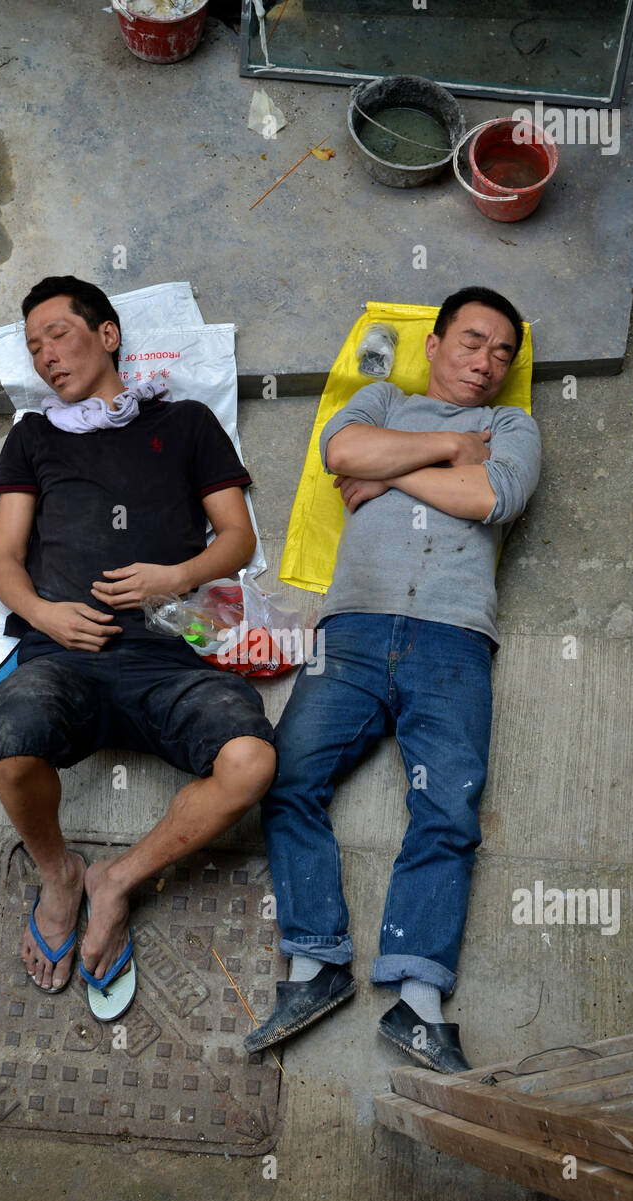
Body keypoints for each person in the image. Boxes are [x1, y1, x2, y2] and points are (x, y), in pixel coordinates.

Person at [245, 287, 541, 1072]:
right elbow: (342, 455)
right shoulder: (381, 398)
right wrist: (444, 452)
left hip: (453, 638)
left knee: (447, 807)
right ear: (436, 344)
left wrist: (394, 473)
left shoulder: (513, 427)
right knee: (283, 777)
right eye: (472, 342)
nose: (485, 364)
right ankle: (315, 963)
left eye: (502, 353)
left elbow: (494, 496)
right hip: (354, 627)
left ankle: (416, 1002)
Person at [0, 276, 276, 1022]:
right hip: (62, 659)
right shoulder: (33, 436)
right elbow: (4, 559)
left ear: (107, 336)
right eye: (33, 345)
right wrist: (45, 615)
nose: (45, 354)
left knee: (252, 763)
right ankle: (59, 873)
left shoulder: (188, 423)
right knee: (9, 747)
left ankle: (114, 879)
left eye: (58, 334)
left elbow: (237, 540)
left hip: (168, 661)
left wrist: (176, 575)